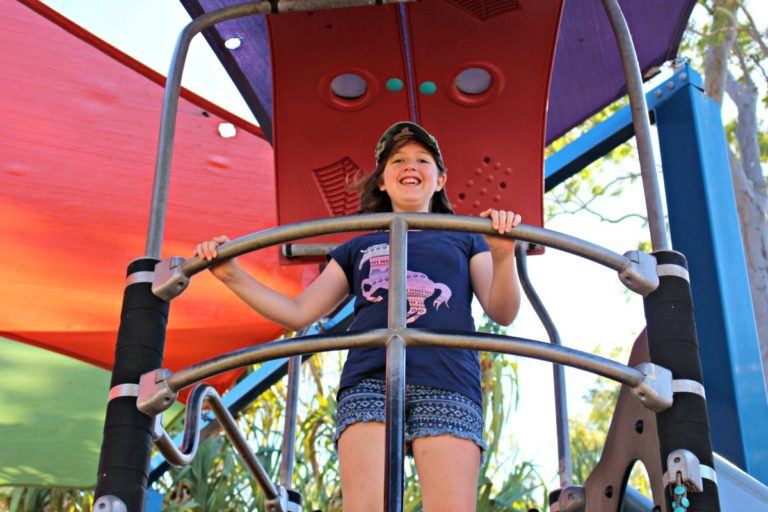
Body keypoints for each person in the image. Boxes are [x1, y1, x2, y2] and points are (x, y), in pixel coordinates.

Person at [195, 122, 522, 512]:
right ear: (382, 181)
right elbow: (300, 313)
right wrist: (233, 274)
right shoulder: (360, 243)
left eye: (422, 159)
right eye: (397, 160)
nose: (409, 166)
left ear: (440, 179)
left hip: (447, 379)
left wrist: (503, 255)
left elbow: (502, 312)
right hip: (371, 379)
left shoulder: (466, 238)